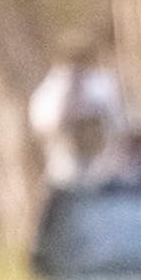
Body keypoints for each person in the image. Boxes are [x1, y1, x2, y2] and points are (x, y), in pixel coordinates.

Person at [28, 45, 129, 189]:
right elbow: (44, 126)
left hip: (104, 169)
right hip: (65, 169)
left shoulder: (101, 84)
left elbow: (119, 123)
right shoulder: (49, 92)